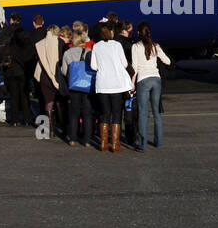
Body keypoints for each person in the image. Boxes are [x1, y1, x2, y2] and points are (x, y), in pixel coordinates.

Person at [90, 22, 132, 153]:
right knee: (117, 113)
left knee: (105, 113)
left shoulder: (96, 46)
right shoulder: (117, 45)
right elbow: (124, 63)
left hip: (102, 85)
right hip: (116, 85)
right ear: (111, 32)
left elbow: (93, 66)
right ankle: (115, 144)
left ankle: (103, 143)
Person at [130, 21, 170, 152]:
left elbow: (134, 67)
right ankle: (158, 141)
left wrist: (132, 83)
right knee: (157, 112)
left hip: (143, 80)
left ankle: (142, 144)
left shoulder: (136, 46)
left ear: (138, 33)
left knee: (143, 113)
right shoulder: (155, 46)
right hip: (156, 80)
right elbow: (168, 61)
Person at [60, 29, 95, 147]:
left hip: (74, 86)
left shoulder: (68, 53)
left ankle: (72, 139)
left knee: (74, 113)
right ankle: (87, 140)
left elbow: (64, 71)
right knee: (87, 114)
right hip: (87, 86)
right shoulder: (89, 52)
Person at [34, 24, 62, 137]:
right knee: (59, 101)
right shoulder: (58, 42)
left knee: (48, 103)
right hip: (57, 75)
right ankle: (63, 126)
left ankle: (51, 130)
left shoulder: (40, 44)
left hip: (44, 76)